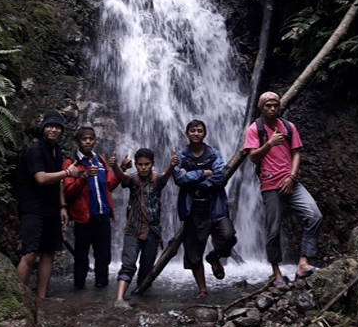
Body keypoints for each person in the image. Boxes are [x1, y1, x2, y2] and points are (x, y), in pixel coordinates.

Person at [245, 91, 322, 286]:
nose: (272, 109)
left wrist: (292, 176)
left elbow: (296, 153)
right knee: (273, 230)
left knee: (314, 215)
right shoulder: (254, 129)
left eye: (275, 105)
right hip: (270, 185)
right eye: (268, 105)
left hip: (292, 182)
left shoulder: (288, 127)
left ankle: (303, 263)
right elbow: (253, 157)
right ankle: (276, 273)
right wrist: (269, 143)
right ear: (261, 107)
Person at [15, 111, 78, 300]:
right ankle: (20, 299)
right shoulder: (35, 150)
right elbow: (41, 178)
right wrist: (67, 172)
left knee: (49, 252)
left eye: (57, 127)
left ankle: (40, 298)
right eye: (50, 126)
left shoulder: (56, 150)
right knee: (30, 253)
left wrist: (62, 207)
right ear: (43, 128)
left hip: (51, 208)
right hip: (32, 208)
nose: (53, 130)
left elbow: (58, 182)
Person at [173, 119, 236, 298]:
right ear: (187, 133)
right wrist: (202, 173)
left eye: (199, 130)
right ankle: (202, 289)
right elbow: (178, 179)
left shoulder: (214, 154)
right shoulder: (181, 155)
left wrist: (192, 179)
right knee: (194, 253)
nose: (196, 133)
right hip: (192, 209)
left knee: (228, 236)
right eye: (193, 130)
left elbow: (219, 178)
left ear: (205, 133)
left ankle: (214, 257)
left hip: (215, 206)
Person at [108, 148, 177, 307]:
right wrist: (115, 166)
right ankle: (119, 299)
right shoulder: (132, 179)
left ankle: (142, 299)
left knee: (146, 268)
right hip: (133, 229)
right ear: (136, 165)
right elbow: (122, 177)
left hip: (152, 231)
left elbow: (166, 176)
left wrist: (172, 166)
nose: (143, 167)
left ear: (152, 164)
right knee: (128, 264)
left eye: (147, 164)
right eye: (140, 164)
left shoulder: (157, 179)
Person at [63, 126, 120, 289]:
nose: (88, 141)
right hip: (84, 217)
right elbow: (68, 192)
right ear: (77, 141)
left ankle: (101, 289)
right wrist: (84, 177)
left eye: (91, 138)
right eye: (84, 139)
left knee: (104, 256)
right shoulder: (71, 162)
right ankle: (79, 290)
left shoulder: (100, 160)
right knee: (81, 256)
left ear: (95, 140)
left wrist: (120, 170)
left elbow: (108, 186)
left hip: (103, 214)